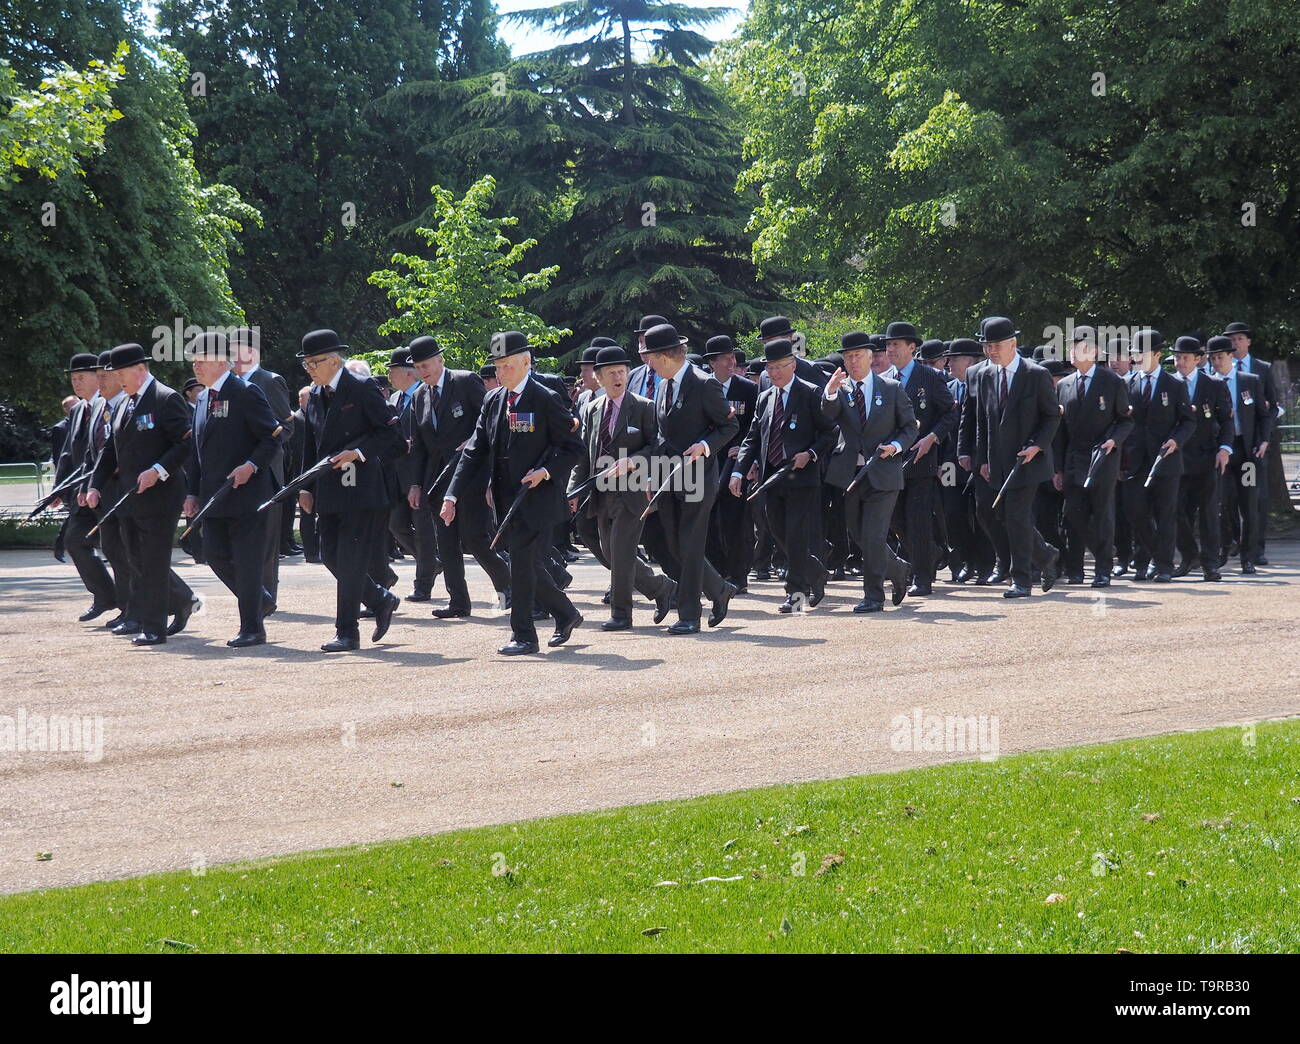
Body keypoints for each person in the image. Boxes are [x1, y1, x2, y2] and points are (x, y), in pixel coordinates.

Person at [442, 331, 584, 655]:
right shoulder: (492, 401)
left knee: (521, 563)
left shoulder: (545, 398)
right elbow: (474, 451)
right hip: (505, 500)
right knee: (529, 564)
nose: (501, 372)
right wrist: (451, 494)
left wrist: (546, 472)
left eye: (507, 365)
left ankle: (524, 635)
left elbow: (573, 448)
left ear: (526, 362)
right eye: (497, 366)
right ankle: (566, 614)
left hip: (537, 498)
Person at [296, 329, 404, 652]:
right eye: (307, 365)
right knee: (329, 554)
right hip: (328, 489)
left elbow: (392, 436)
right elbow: (310, 444)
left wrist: (357, 453)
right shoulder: (315, 395)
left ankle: (347, 631)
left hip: (361, 490)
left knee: (351, 558)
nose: (310, 369)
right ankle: (379, 598)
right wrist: (306, 485)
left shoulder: (361, 388)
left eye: (314, 363)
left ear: (334, 360)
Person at [86, 342, 197, 645]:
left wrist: (159, 469)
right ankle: (177, 605)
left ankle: (154, 628)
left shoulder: (166, 398)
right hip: (130, 496)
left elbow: (185, 444)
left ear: (140, 369)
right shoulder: (124, 403)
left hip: (161, 496)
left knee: (154, 561)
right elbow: (111, 449)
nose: (117, 380)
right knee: (135, 559)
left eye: (121, 373)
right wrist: (94, 484)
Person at [636, 323, 738, 634]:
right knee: (676, 545)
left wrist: (705, 446)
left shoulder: (704, 384)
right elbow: (661, 438)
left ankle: (690, 615)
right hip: (669, 479)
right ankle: (720, 589)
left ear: (664, 356)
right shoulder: (664, 384)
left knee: (690, 545)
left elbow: (729, 427)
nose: (647, 364)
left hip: (698, 478)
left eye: (650, 357)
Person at [567, 345, 676, 629]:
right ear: (599, 378)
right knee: (612, 553)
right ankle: (661, 588)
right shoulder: (591, 409)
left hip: (632, 493)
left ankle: (621, 614)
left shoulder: (643, 407)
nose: (618, 377)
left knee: (621, 550)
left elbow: (658, 447)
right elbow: (584, 455)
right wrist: (574, 491)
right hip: (600, 494)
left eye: (622, 372)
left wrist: (634, 462)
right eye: (611, 373)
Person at [182, 332, 280, 647]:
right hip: (214, 496)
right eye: (194, 360)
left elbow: (272, 437)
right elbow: (198, 451)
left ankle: (252, 627)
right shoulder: (202, 399)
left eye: (202, 359)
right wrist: (192, 492)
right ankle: (260, 599)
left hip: (247, 495)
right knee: (214, 554)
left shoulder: (245, 392)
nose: (196, 365)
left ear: (221, 361)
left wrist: (251, 465)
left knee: (247, 561)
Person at [406, 335, 511, 618]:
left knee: (475, 536)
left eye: (427, 364)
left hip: (470, 474)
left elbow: (492, 420)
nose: (423, 371)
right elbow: (418, 446)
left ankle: (508, 584)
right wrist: (416, 483)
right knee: (446, 540)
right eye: (418, 367)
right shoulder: (418, 397)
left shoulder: (465, 382)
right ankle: (458, 601)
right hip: (438, 479)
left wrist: (475, 442)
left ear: (440, 360)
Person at [731, 337, 838, 612]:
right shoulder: (765, 397)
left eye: (780, 367)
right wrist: (739, 472)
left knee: (794, 535)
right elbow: (752, 438)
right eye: (770, 368)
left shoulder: (811, 393)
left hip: (801, 477)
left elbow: (830, 432)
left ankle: (796, 593)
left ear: (792, 365)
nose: (774, 373)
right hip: (771, 478)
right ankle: (815, 569)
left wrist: (811, 454)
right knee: (776, 530)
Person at [819, 331, 917, 612]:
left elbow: (910, 427)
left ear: (871, 357)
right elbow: (827, 414)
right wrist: (830, 391)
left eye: (858, 355)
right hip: (850, 475)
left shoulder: (891, 388)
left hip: (883, 473)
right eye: (848, 357)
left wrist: (896, 446)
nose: (852, 361)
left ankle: (873, 595)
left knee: (874, 536)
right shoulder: (841, 389)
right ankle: (897, 569)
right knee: (860, 536)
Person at [966, 316, 1061, 598]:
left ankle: (1021, 579)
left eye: (996, 346)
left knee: (1016, 516)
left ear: (1013, 344)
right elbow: (983, 421)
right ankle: (1045, 555)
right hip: (996, 461)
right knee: (998, 514)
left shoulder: (1036, 374)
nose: (991, 352)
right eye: (986, 346)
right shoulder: (984, 375)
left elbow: (1052, 416)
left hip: (1027, 460)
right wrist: (982, 459)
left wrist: (1037, 446)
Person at [1053, 326, 1132, 587]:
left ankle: (1103, 570)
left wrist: (1114, 440)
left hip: (1103, 458)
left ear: (1095, 351)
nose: (1073, 352)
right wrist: (1058, 468)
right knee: (1073, 515)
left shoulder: (1112, 382)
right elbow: (1059, 432)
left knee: (1102, 515)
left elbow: (1125, 421)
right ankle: (1076, 569)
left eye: (1079, 346)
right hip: (1074, 459)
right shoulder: (1064, 385)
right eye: (1071, 346)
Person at [883, 322, 956, 595]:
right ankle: (932, 553)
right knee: (896, 519)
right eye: (888, 345)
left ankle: (922, 578)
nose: (891, 350)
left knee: (918, 520)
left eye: (896, 345)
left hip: (922, 460)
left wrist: (932, 437)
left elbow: (950, 413)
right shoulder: (884, 380)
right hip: (892, 462)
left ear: (912, 348)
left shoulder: (930, 377)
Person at [1119, 329, 1195, 582]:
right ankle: (1154, 555)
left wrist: (1176, 440)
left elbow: (1188, 421)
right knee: (1135, 511)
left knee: (1165, 514)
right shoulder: (1126, 384)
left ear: (1157, 354)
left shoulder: (1174, 384)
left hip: (1166, 460)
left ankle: (1163, 566)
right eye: (1134, 353)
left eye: (1142, 353)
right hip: (1135, 460)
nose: (1136, 357)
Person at [230, 327, 295, 598]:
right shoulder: (231, 384)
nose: (230, 356)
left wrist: (260, 451)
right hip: (237, 471)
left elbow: (287, 427)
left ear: (249, 350)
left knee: (266, 541)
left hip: (266, 471)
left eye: (234, 349)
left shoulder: (269, 380)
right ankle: (253, 592)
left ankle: (267, 595)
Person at [53, 353, 118, 620]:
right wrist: (59, 489)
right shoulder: (79, 409)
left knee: (121, 549)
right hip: (83, 490)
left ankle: (175, 598)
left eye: (82, 377)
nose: (77, 383)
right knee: (74, 540)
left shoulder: (110, 405)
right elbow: (70, 454)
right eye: (73, 378)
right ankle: (105, 595)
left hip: (108, 488)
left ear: (97, 376)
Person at [1206, 336, 1270, 575]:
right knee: (1220, 502)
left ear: (1231, 356)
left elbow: (1264, 414)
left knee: (1249, 504)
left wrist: (1263, 440)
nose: (1216, 362)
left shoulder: (1249, 381)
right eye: (1212, 358)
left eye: (1220, 357)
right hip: (1221, 451)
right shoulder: (1208, 383)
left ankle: (1248, 556)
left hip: (1245, 452)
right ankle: (1224, 548)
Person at [1172, 337, 1232, 581]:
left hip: (1207, 456)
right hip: (1176, 458)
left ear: (1198, 359)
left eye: (1185, 358)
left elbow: (1227, 420)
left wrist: (1225, 448)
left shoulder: (1214, 385)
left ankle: (1210, 563)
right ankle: (1189, 555)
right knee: (1174, 509)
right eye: (1177, 357)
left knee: (1208, 512)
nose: (1180, 363)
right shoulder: (1169, 383)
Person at [703, 334, 758, 592]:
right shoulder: (702, 387)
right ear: (712, 363)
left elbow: (755, 426)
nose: (731, 363)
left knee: (735, 519)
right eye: (725, 359)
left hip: (736, 462)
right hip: (707, 461)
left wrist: (745, 449)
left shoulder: (747, 389)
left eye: (733, 358)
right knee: (709, 519)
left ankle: (738, 576)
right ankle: (716, 573)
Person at [1221, 321, 1278, 566]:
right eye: (1232, 340)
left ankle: (1255, 549)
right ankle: (1235, 541)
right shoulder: (1222, 371)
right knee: (1227, 499)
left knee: (1253, 499)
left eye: (1240, 339)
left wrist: (1263, 438)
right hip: (1226, 447)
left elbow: (1271, 407)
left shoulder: (1260, 371)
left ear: (1248, 341)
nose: (1236, 344)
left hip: (1249, 447)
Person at [385, 346, 440, 602]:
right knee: (396, 525)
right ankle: (429, 562)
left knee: (424, 529)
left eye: (392, 371)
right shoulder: (394, 400)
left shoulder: (424, 395)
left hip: (419, 475)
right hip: (396, 475)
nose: (389, 377)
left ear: (408, 373)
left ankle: (423, 583)